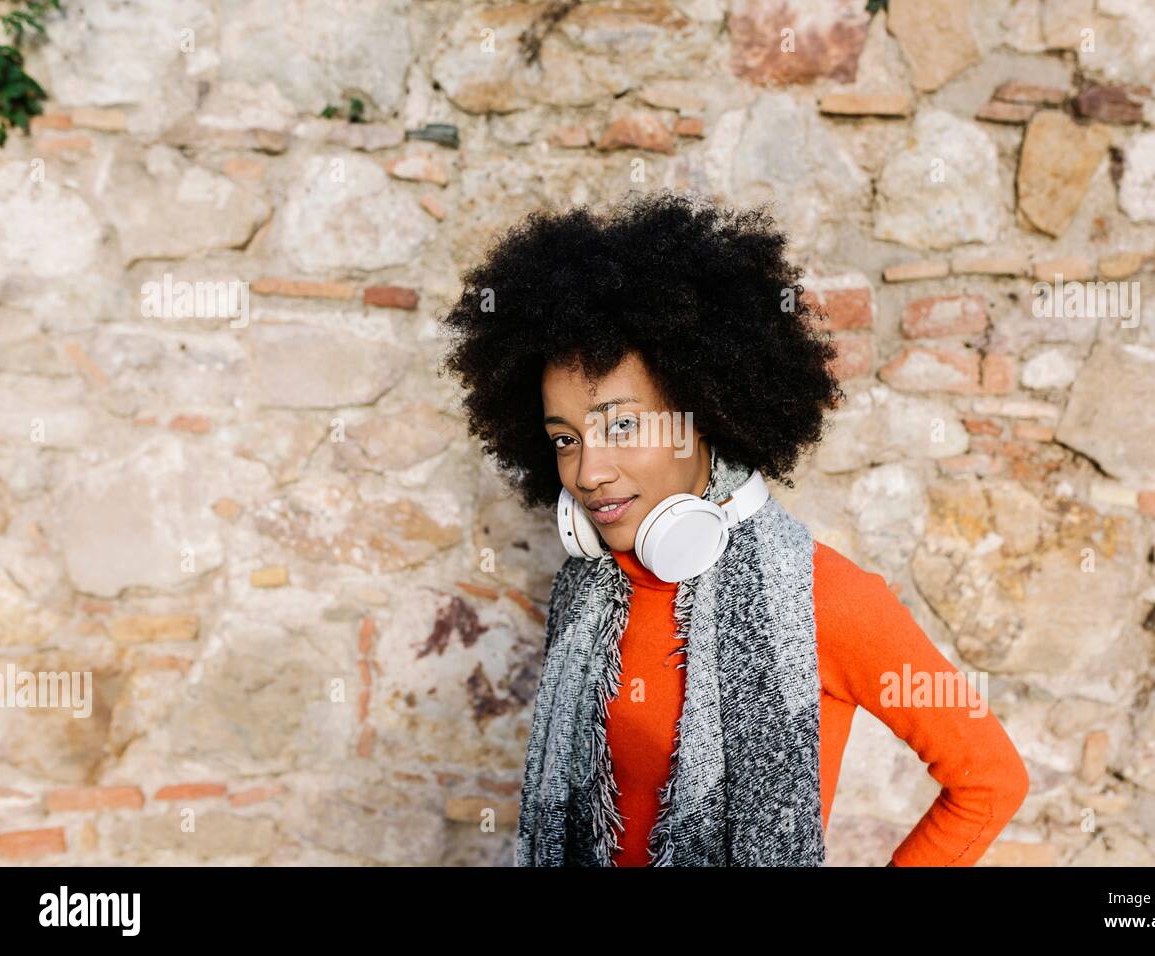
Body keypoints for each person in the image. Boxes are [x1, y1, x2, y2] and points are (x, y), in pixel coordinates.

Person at [440, 189, 1029, 866]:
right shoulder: (589, 591)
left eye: (622, 424)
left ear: (702, 415)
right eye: (565, 439)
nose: (589, 471)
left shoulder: (827, 600)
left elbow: (989, 780)